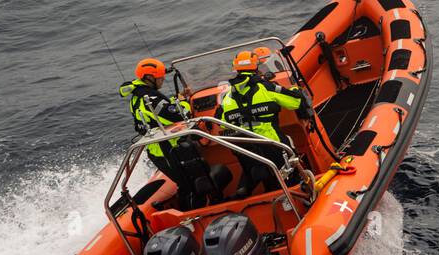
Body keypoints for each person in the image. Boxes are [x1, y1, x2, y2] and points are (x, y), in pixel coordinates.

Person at [120, 58, 212, 209]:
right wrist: (183, 102)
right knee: (190, 185)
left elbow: (162, 112)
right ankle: (191, 215)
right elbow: (177, 115)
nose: (162, 79)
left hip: (162, 148)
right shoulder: (148, 97)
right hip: (166, 150)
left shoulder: (140, 95)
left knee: (190, 181)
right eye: (160, 77)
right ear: (149, 78)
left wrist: (178, 97)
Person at [218, 50, 306, 197]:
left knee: (255, 165)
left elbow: (221, 123)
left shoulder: (227, 97)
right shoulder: (266, 87)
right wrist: (295, 89)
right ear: (256, 68)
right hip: (272, 143)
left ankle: (254, 189)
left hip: (246, 147)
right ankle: (295, 190)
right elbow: (295, 102)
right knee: (288, 151)